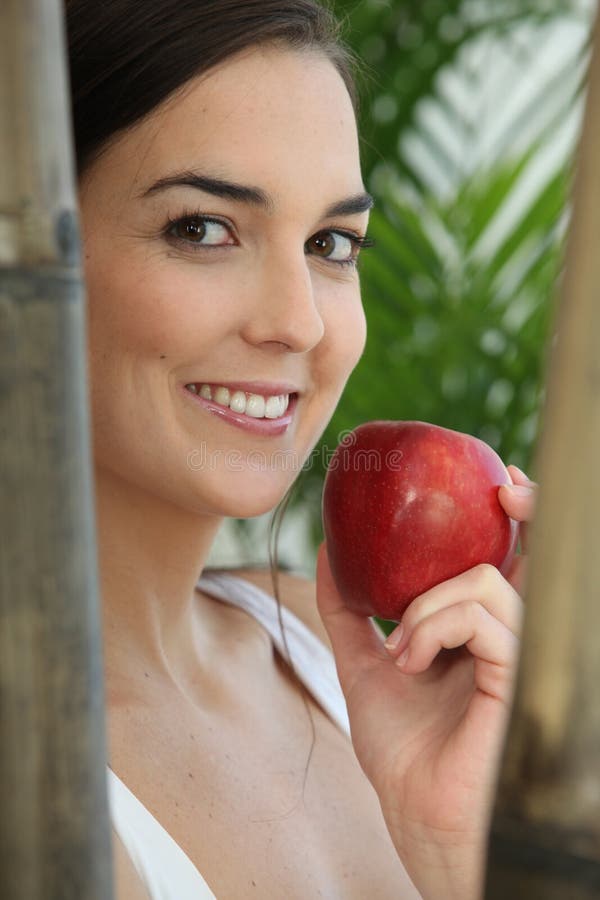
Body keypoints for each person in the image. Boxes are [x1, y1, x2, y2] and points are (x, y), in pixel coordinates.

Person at [65, 1, 536, 897]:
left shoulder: (359, 664)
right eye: (202, 229)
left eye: (331, 244)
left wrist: (468, 851)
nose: (299, 322)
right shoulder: (38, 774)